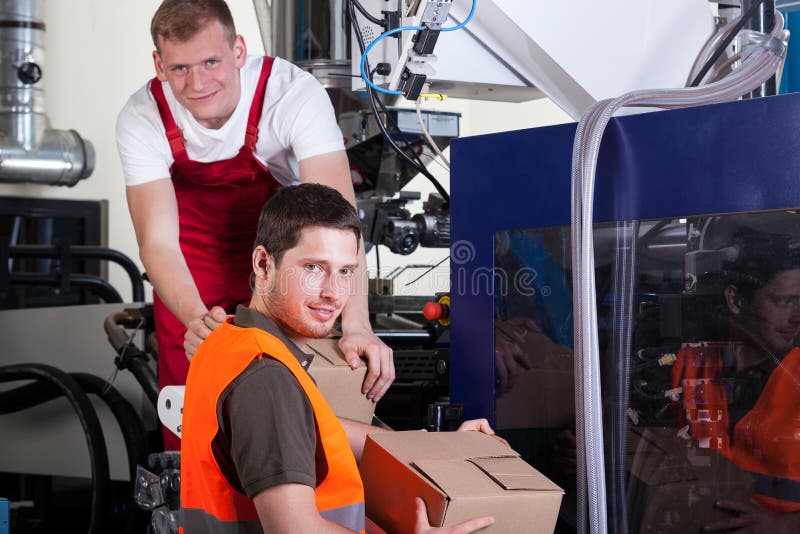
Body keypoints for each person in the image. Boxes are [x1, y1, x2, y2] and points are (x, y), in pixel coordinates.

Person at [116, 0, 393, 449]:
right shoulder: (141, 117)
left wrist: (357, 323)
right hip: (190, 265)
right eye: (180, 68)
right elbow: (158, 243)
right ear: (159, 65)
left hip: (274, 258)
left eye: (211, 62)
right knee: (192, 408)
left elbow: (338, 223)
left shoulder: (290, 94)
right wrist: (195, 320)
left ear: (239, 50)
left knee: (283, 384)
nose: (198, 83)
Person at [180, 183, 498, 533]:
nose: (332, 293)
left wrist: (444, 445)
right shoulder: (265, 376)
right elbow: (295, 530)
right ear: (263, 263)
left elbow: (320, 429)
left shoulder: (229, 338)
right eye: (314, 268)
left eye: (346, 271)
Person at [670, 231, 800, 532]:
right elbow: (652, 444)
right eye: (784, 301)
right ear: (736, 300)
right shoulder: (689, 363)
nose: (797, 317)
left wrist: (778, 526)